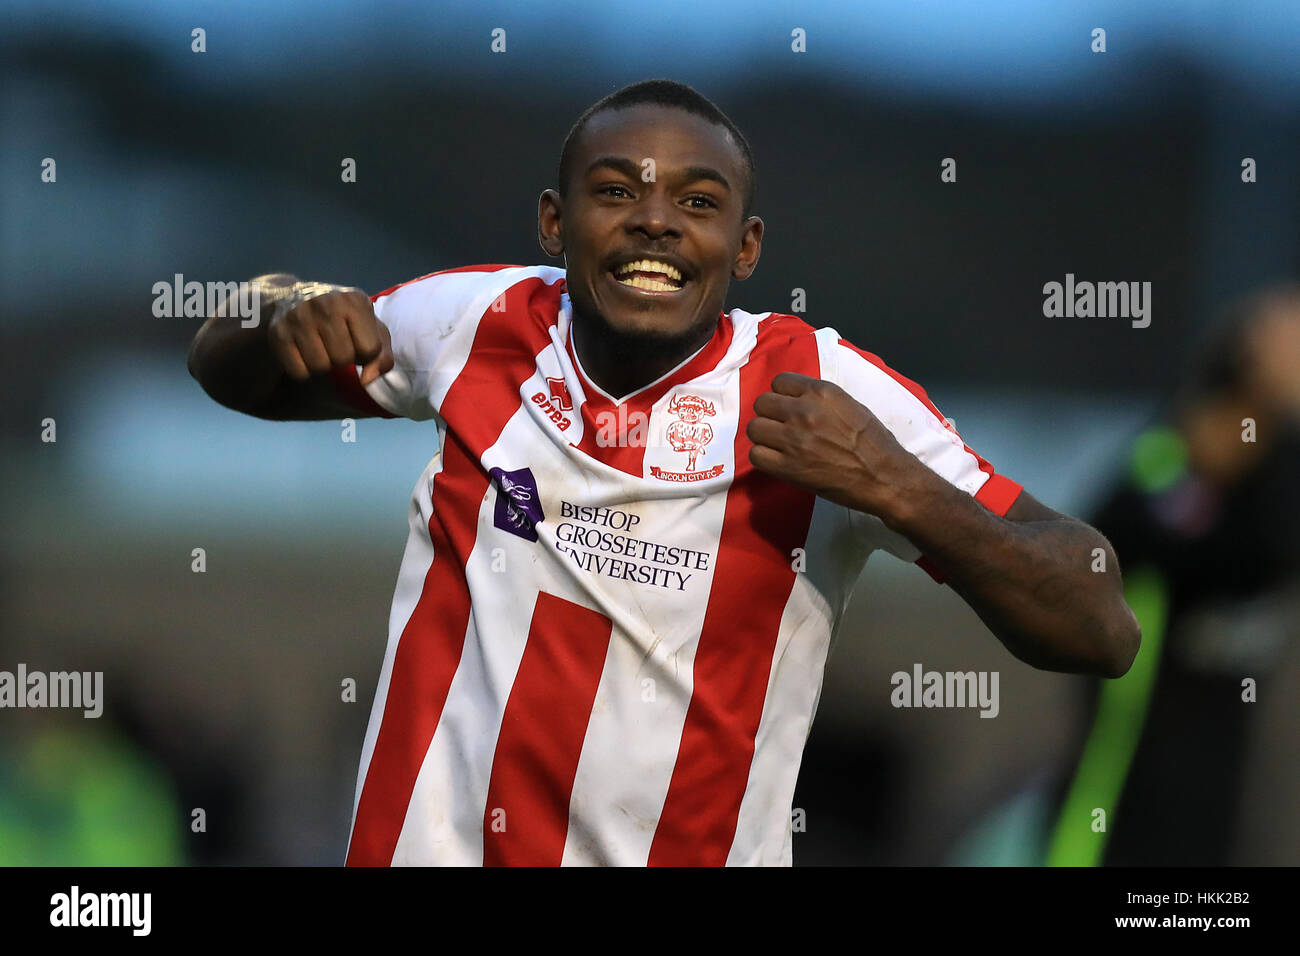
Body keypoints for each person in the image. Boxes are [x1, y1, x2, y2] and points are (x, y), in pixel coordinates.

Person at [188, 79, 1139, 866]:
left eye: (697, 202)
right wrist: (282, 310)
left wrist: (898, 489)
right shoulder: (479, 323)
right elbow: (227, 360)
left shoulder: (822, 388)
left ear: (747, 247)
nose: (655, 223)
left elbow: (1100, 622)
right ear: (555, 225)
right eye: (615, 193)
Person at [1046, 284, 1300, 866]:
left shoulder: (1281, 468)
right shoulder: (1170, 449)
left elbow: (1274, 550)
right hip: (1130, 748)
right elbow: (1113, 537)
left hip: (1225, 760)